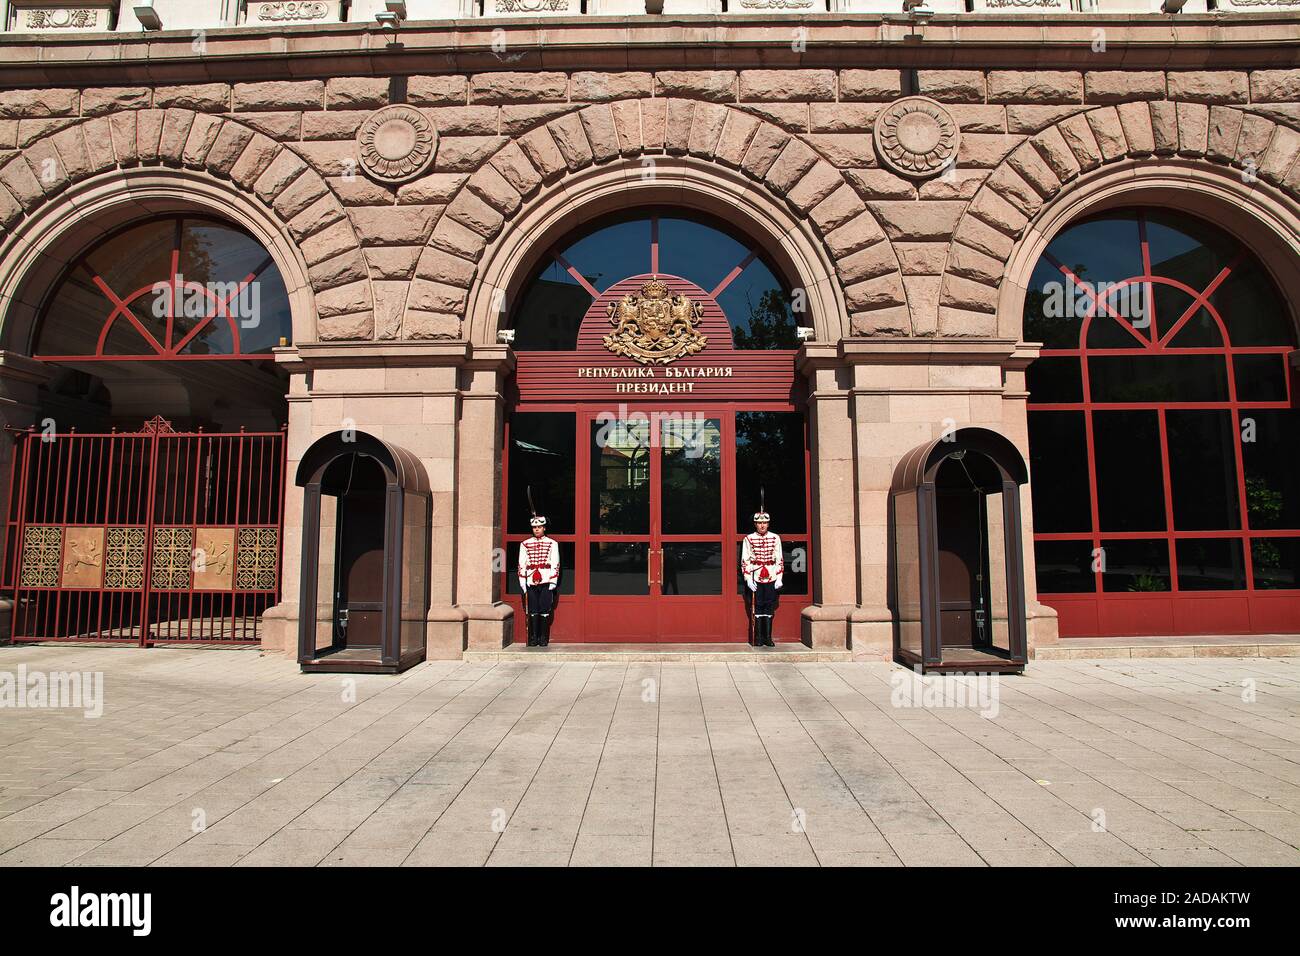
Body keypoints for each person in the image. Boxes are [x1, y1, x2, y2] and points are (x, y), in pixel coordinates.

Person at [741, 506, 783, 647]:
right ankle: (758, 637)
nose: (762, 525)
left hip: (771, 575)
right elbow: (745, 560)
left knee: (769, 606)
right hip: (756, 576)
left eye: (764, 523)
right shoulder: (748, 539)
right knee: (757, 606)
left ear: (768, 523)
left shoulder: (775, 538)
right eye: (759, 523)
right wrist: (747, 579)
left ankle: (768, 637)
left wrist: (779, 577)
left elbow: (779, 559)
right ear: (755, 524)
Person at [518, 513, 560, 647]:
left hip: (546, 579)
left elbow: (555, 562)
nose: (537, 529)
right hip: (530, 580)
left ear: (544, 528)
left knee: (544, 609)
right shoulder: (525, 544)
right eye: (534, 527)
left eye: (539, 527)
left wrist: (553, 581)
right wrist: (523, 582)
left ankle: (543, 638)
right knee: (532, 609)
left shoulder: (552, 543)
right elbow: (521, 564)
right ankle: (533, 637)